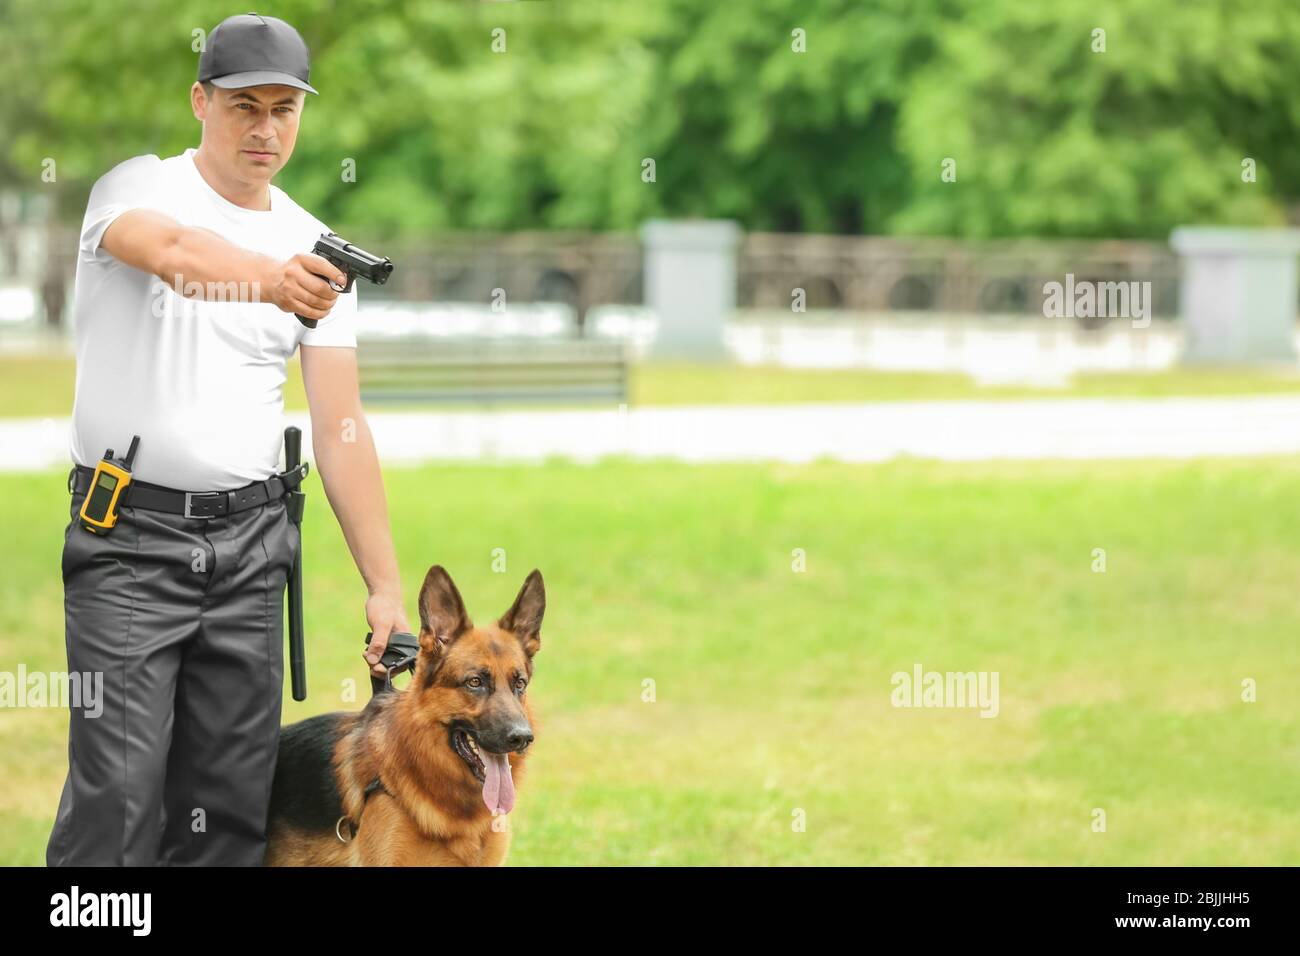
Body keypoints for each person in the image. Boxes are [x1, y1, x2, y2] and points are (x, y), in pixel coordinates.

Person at [46, 12, 409, 866]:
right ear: (200, 101)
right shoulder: (136, 187)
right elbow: (169, 248)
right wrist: (268, 280)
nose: (267, 128)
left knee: (227, 811)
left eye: (286, 109)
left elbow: (340, 425)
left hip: (252, 552)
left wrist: (384, 586)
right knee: (118, 800)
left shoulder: (317, 249)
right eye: (247, 106)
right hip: (129, 539)